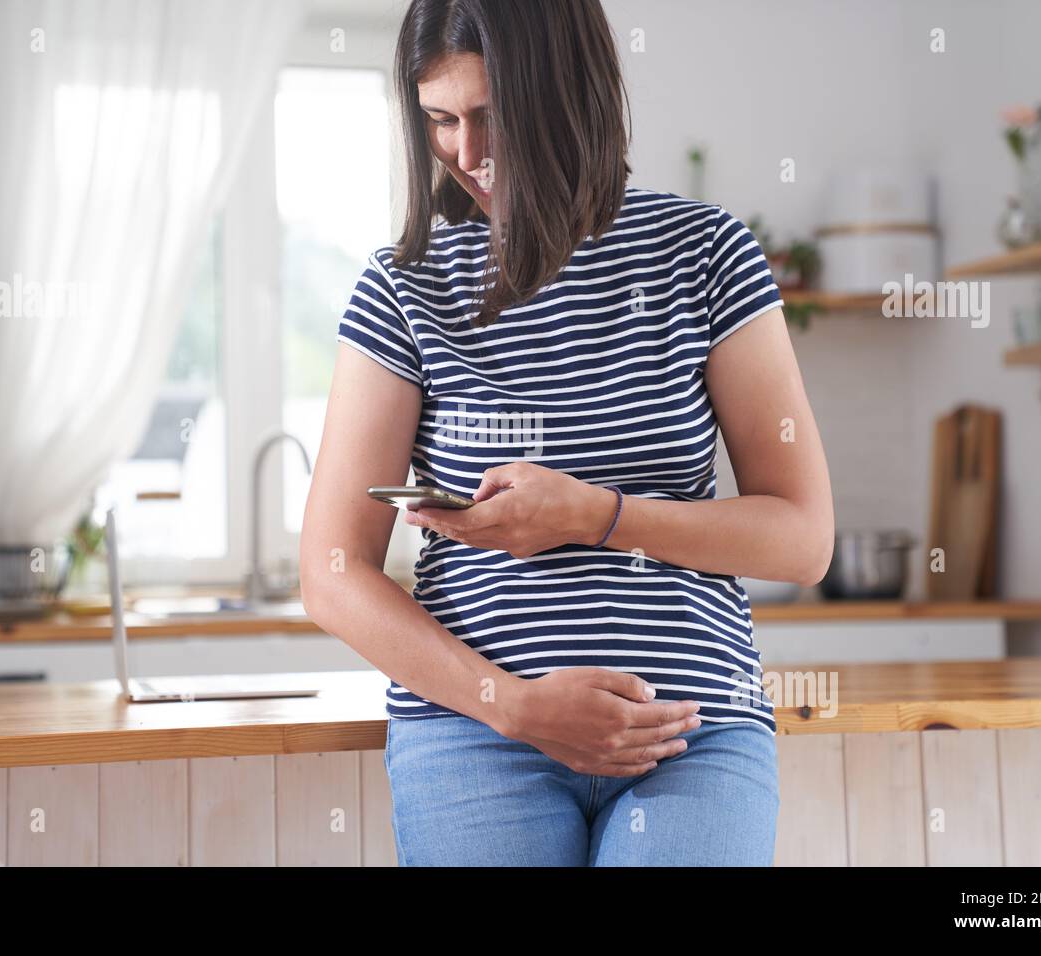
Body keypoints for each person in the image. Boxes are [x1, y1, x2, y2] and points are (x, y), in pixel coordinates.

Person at [300, 0, 834, 867]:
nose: (466, 155)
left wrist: (595, 514)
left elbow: (804, 540)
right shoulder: (405, 288)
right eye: (441, 120)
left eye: (490, 116)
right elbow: (332, 575)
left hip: (690, 730)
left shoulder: (704, 255)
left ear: (567, 92)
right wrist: (512, 705)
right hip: (477, 733)